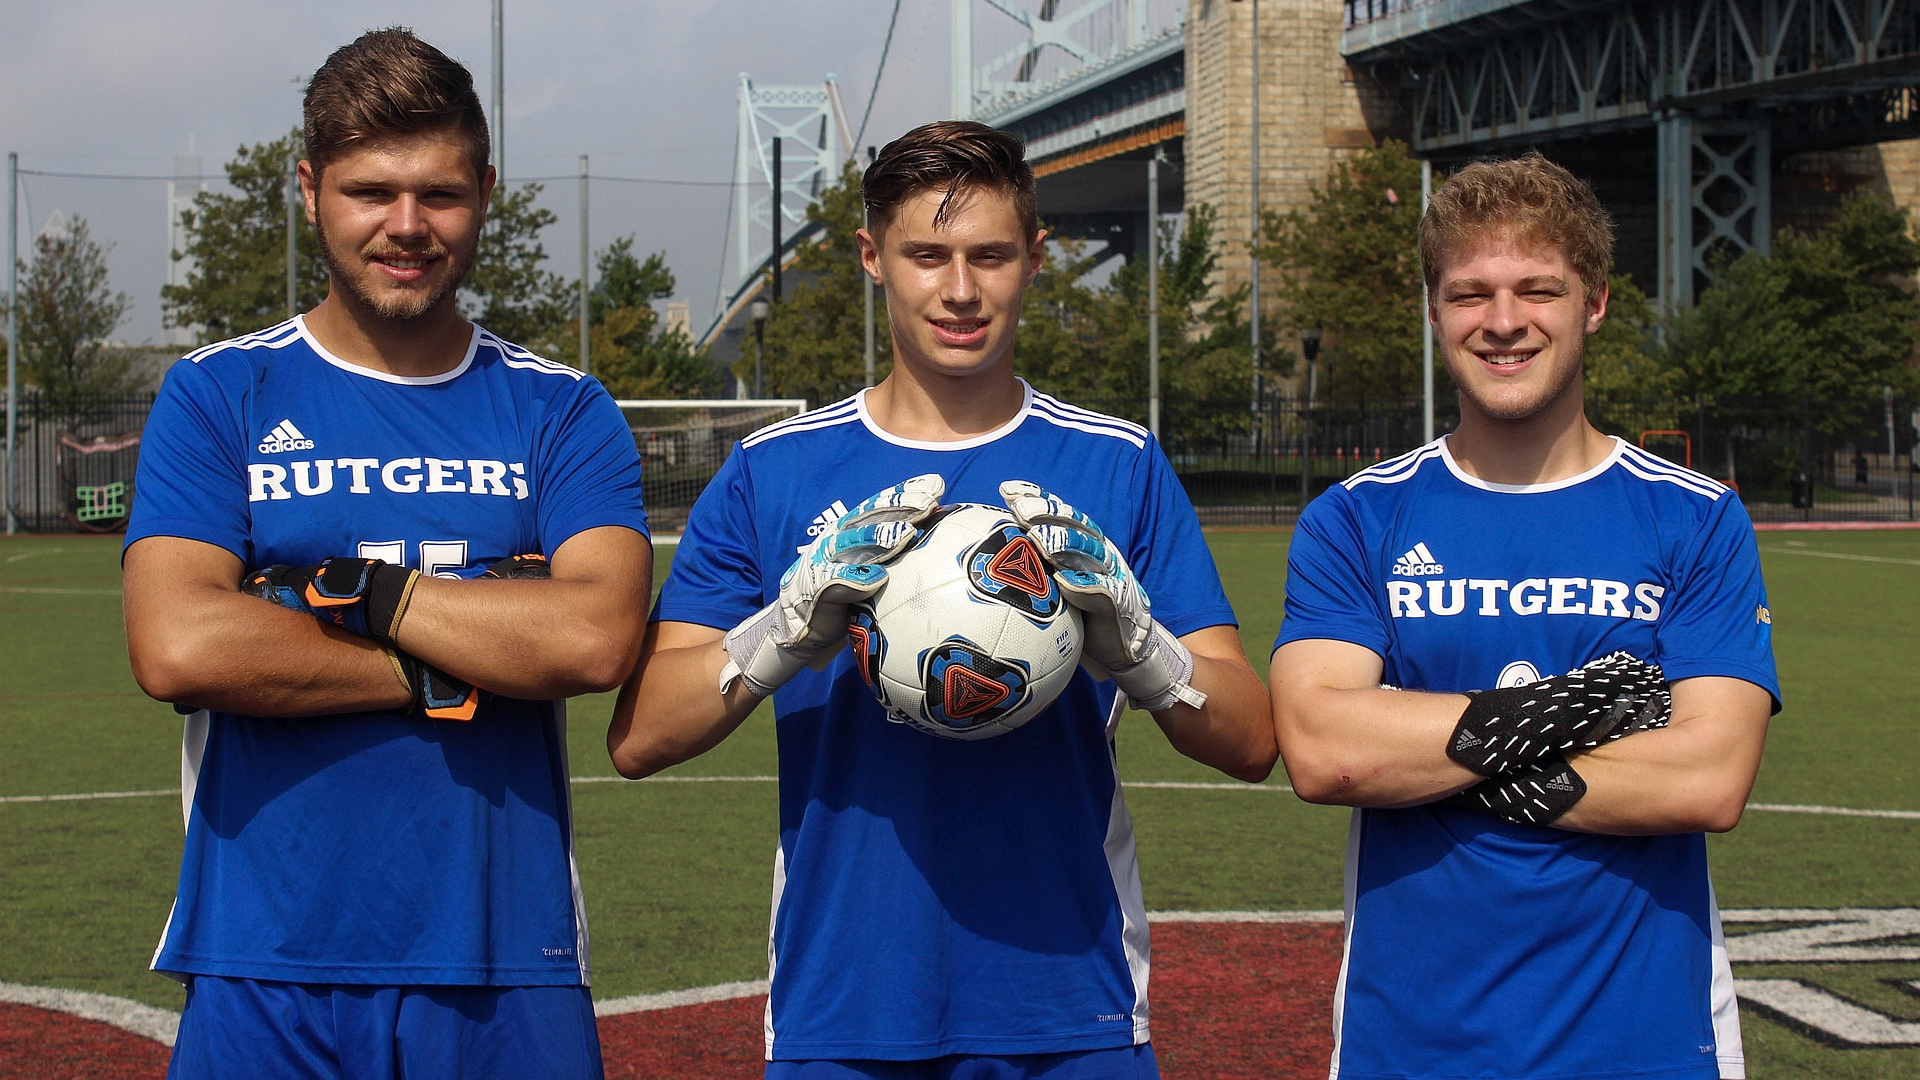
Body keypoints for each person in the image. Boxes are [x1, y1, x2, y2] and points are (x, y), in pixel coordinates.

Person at [607, 120, 1276, 1079]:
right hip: (844, 1008)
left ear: (1035, 259)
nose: (960, 290)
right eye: (927, 255)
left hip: (1072, 1004)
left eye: (990, 256)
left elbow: (1250, 742)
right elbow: (639, 738)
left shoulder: (1118, 462)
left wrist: (1140, 647)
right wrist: (783, 630)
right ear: (872, 257)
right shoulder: (770, 471)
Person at [121, 28, 649, 1079]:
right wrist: (457, 653)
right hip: (261, 954)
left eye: (439, 194)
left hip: (507, 956)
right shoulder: (220, 393)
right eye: (370, 191)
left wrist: (357, 594)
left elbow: (593, 638)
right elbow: (179, 645)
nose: (407, 226)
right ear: (310, 191)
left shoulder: (560, 410)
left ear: (485, 194)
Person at [1268, 152, 1779, 1080]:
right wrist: (1582, 708)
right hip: (1408, 1048)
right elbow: (1324, 750)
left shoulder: (1696, 517)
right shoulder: (1356, 519)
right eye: (1470, 294)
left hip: (1648, 1047)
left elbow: (1707, 780)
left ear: (1595, 302)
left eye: (1537, 289)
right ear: (1434, 311)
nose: (1503, 322)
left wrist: (1419, 754)